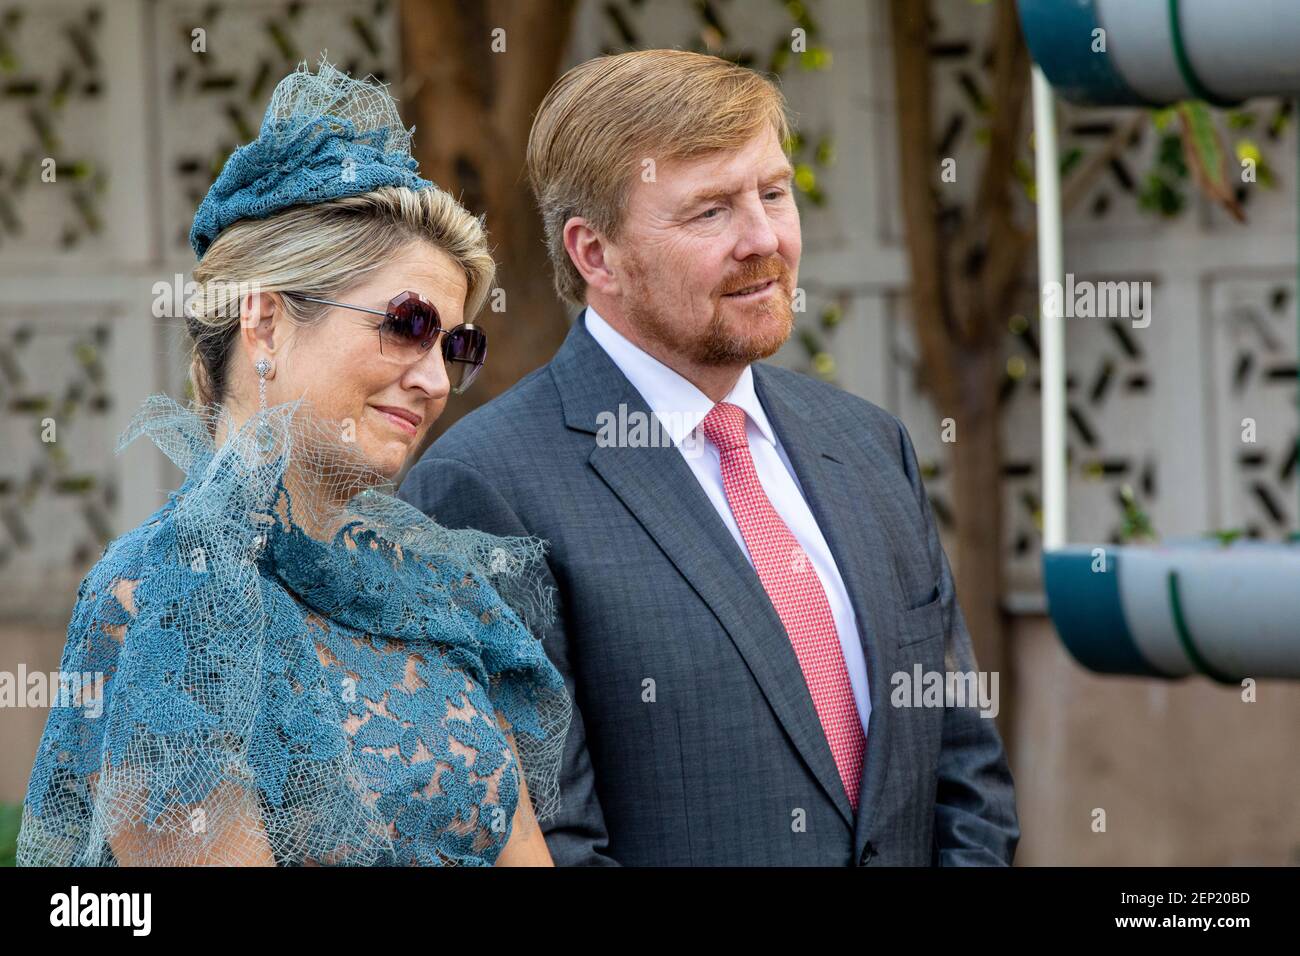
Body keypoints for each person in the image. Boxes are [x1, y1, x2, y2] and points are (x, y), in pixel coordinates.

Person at [398, 49, 1020, 866]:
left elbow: (964, 771)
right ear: (595, 254)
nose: (764, 239)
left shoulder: (871, 445)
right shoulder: (482, 488)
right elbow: (552, 846)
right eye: (710, 212)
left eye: (773, 192)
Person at [18, 58, 569, 867]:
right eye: (408, 324)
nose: (434, 377)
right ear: (267, 322)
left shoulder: (439, 587)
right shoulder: (170, 591)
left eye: (457, 345)